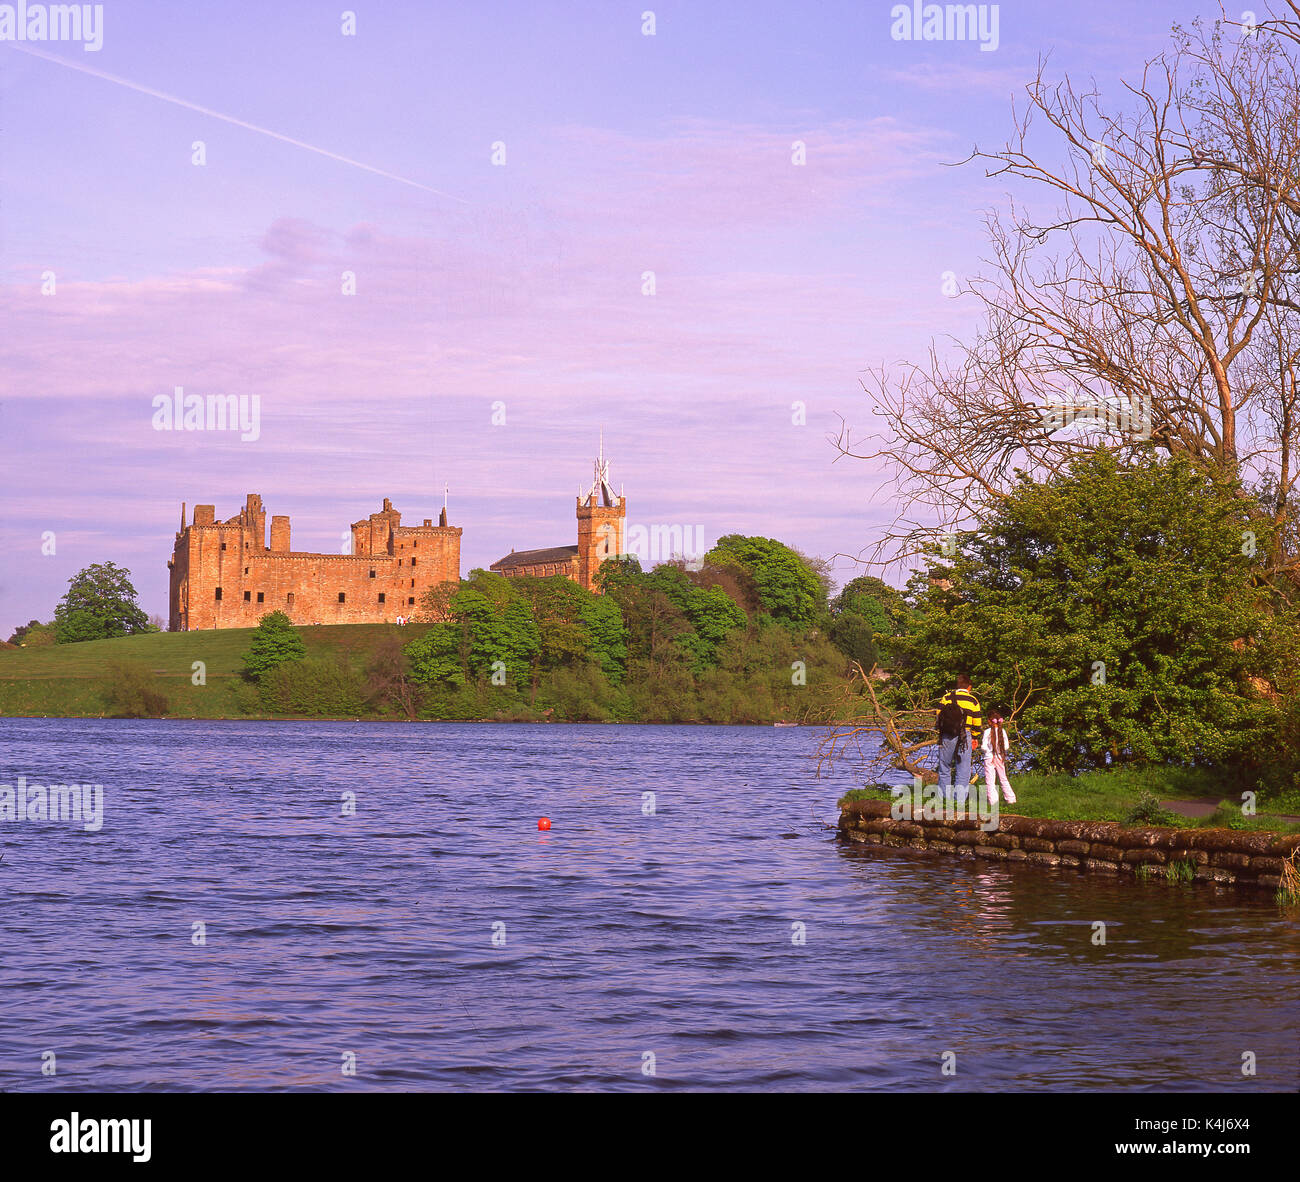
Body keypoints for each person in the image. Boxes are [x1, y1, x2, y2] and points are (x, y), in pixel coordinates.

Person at [934, 674, 982, 805]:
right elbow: (977, 721)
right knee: (963, 768)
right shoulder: (973, 700)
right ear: (969, 687)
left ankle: (943, 799)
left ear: (957, 685)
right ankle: (959, 801)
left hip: (947, 735)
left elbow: (938, 716)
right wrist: (975, 736)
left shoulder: (946, 697)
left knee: (945, 766)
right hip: (965, 735)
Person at [982, 712, 1017, 805]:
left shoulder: (987, 732)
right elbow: (1006, 746)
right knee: (1003, 778)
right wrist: (998, 750)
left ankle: (993, 801)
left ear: (990, 721)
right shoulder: (1003, 731)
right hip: (1000, 757)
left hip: (989, 758)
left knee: (990, 780)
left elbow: (983, 746)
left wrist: (988, 750)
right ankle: (1011, 799)